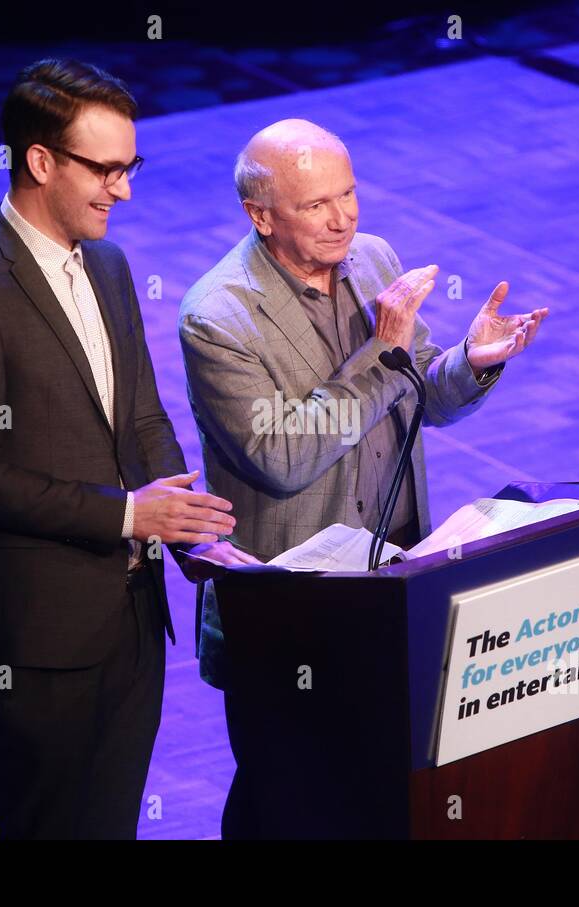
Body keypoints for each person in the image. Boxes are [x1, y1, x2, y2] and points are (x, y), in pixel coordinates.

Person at [178, 118, 549, 836]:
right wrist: (383, 355)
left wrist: (472, 360)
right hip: (289, 608)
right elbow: (282, 454)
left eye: (349, 193)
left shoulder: (375, 259)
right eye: (316, 204)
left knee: (384, 799)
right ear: (261, 216)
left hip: (395, 580)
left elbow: (420, 395)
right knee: (290, 806)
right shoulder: (217, 315)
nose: (343, 216)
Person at [0, 58, 251, 839]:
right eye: (105, 169)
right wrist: (131, 515)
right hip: (41, 644)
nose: (123, 189)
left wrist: (188, 519)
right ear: (40, 161)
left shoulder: (108, 263)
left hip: (133, 626)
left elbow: (138, 415)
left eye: (130, 167)